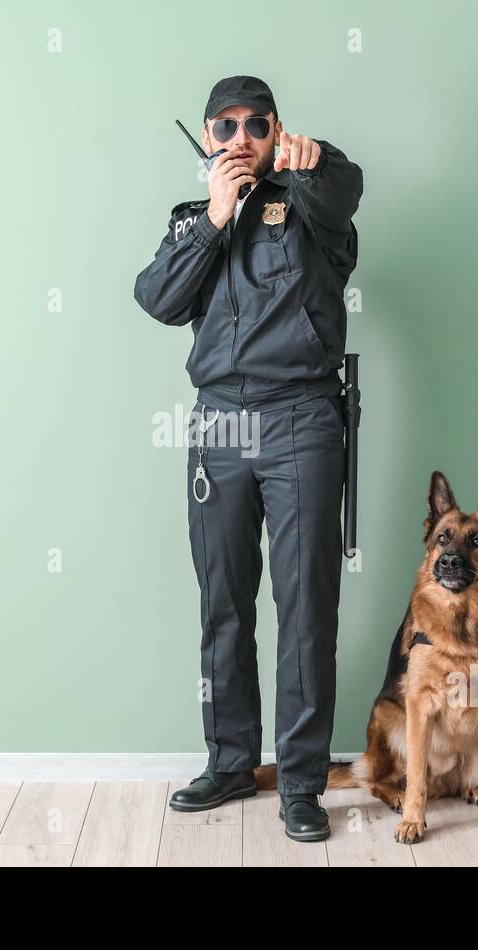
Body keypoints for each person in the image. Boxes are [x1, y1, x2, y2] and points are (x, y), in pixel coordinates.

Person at [134, 75, 363, 842]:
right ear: (206, 138)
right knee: (223, 602)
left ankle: (301, 783)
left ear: (276, 131)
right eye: (225, 126)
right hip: (219, 427)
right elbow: (157, 300)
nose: (240, 138)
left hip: (302, 419)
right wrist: (214, 218)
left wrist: (312, 161)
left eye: (255, 124)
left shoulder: (309, 203)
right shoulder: (192, 220)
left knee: (304, 610)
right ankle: (231, 760)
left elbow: (345, 191)